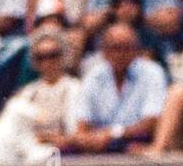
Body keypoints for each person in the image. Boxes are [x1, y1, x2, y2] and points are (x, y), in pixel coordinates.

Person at [0, 26, 82, 166]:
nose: (47, 62)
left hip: (58, 153)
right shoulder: (29, 91)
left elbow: (73, 135)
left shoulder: (73, 88)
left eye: (53, 55)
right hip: (27, 146)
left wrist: (47, 138)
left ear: (63, 55)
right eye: (41, 57)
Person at [67, 20, 167, 153]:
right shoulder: (94, 76)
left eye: (127, 47)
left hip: (139, 143)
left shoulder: (152, 72)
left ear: (136, 50)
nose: (120, 54)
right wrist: (90, 139)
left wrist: (112, 134)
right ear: (104, 51)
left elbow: (151, 123)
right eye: (115, 48)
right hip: (102, 147)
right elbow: (82, 126)